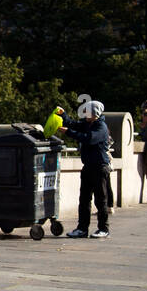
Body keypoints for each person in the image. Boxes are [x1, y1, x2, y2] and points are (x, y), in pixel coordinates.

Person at [59, 100, 111, 238]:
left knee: (100, 200)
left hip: (100, 167)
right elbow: (74, 124)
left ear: (95, 113)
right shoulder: (88, 124)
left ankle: (103, 229)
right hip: (88, 167)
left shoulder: (101, 127)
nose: (85, 114)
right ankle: (82, 228)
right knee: (84, 199)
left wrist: (69, 132)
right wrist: (63, 115)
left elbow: (89, 138)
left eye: (88, 111)